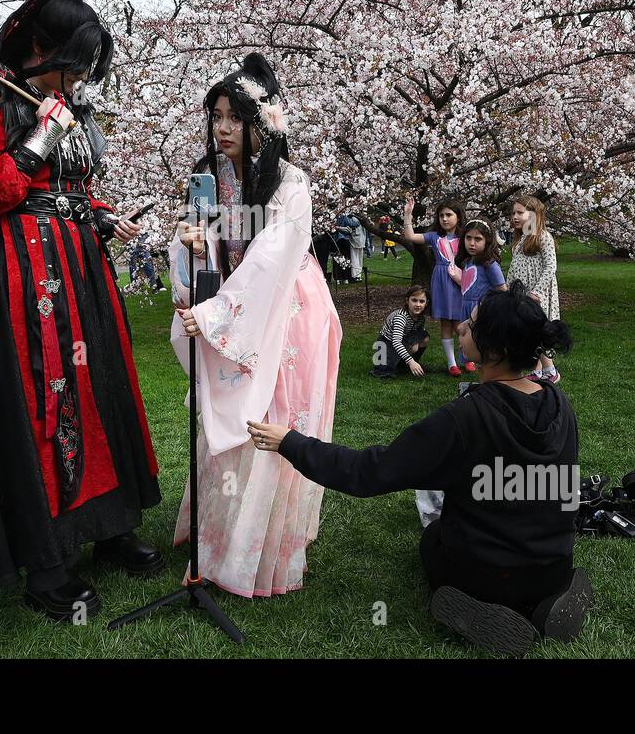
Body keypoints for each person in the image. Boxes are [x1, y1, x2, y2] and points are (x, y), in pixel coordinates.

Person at [0, 0, 162, 622]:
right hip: (27, 280)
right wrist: (40, 136)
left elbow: (70, 186)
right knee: (48, 404)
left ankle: (108, 525)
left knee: (100, 391)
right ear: (39, 49)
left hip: (81, 268)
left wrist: (102, 214)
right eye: (69, 68)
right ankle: (47, 562)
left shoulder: (61, 102)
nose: (76, 82)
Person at [247, 282, 589, 656]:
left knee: (433, 539)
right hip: (555, 565)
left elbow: (369, 472)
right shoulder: (559, 403)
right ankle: (541, 602)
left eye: (470, 325)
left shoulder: (467, 417)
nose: (459, 327)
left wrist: (291, 442)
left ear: (495, 349)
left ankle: (479, 607)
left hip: (490, 573)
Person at [169, 52, 342, 598]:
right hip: (235, 300)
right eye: (216, 116)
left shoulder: (292, 183)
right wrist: (189, 242)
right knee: (227, 424)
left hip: (287, 311)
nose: (222, 128)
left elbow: (273, 255)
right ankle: (218, 541)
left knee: (272, 420)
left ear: (260, 122)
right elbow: (200, 239)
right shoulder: (208, 177)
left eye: (234, 117)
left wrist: (216, 313)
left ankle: (263, 551)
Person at [398, 196, 468, 375]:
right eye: (441, 215)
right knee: (446, 323)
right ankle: (452, 364)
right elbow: (411, 236)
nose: (444, 219)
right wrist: (408, 215)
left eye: (449, 215)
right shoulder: (434, 237)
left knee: (461, 322)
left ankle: (466, 357)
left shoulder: (466, 236)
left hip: (460, 280)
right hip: (442, 282)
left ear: (458, 217)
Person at [506, 195, 561, 382]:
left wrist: (537, 291)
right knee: (528, 332)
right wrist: (509, 289)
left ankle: (551, 370)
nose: (515, 216)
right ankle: (537, 371)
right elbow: (515, 268)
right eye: (513, 212)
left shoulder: (543, 237)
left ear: (534, 214)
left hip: (538, 294)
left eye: (520, 213)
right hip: (522, 293)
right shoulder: (521, 239)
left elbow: (551, 267)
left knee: (540, 331)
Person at [371, 284, 430, 379]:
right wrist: (410, 361)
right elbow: (396, 342)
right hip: (385, 345)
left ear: (426, 303)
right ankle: (408, 363)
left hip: (402, 341)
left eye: (421, 301)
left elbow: (417, 335)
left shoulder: (420, 318)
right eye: (414, 300)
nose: (418, 305)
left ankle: (409, 364)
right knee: (384, 372)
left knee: (424, 336)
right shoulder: (401, 317)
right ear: (407, 301)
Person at [456, 219, 507, 322]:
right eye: (468, 238)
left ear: (487, 241)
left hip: (482, 311)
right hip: (466, 306)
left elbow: (503, 291)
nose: (472, 243)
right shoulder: (467, 262)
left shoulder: (490, 264)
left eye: (478, 239)